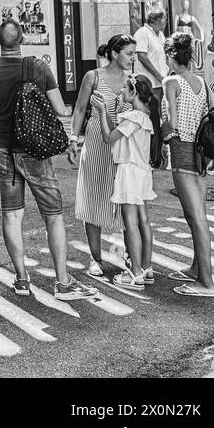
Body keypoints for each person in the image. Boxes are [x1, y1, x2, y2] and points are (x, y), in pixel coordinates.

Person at [0, 20, 93, 301]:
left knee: (12, 214)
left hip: (2, 149)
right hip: (35, 150)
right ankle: (62, 282)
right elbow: (61, 109)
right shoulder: (38, 67)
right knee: (53, 215)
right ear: (22, 39)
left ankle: (22, 278)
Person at [70, 34, 137, 280]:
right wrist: (73, 139)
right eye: (129, 53)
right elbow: (79, 108)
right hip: (97, 140)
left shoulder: (133, 79)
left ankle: (133, 254)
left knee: (127, 200)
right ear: (114, 53)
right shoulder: (93, 76)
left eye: (134, 53)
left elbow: (142, 111)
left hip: (124, 141)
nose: (133, 58)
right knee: (93, 195)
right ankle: (95, 258)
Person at [161, 32, 214, 297]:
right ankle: (197, 268)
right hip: (200, 154)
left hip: (182, 151)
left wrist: (159, 131)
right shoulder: (202, 83)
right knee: (193, 214)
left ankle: (205, 282)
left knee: (197, 218)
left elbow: (171, 123)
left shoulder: (171, 81)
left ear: (172, 56)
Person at [91, 74, 160, 289]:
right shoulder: (145, 116)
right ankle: (146, 268)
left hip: (129, 171)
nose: (120, 91)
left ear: (134, 93)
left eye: (124, 88)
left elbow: (108, 137)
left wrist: (102, 111)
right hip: (142, 172)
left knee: (130, 223)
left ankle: (135, 273)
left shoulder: (133, 117)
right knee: (143, 221)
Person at [134, 5, 168, 102]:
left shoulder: (161, 35)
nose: (165, 22)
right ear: (157, 19)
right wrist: (158, 76)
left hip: (161, 83)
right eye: (164, 19)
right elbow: (142, 57)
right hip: (149, 84)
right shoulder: (142, 33)